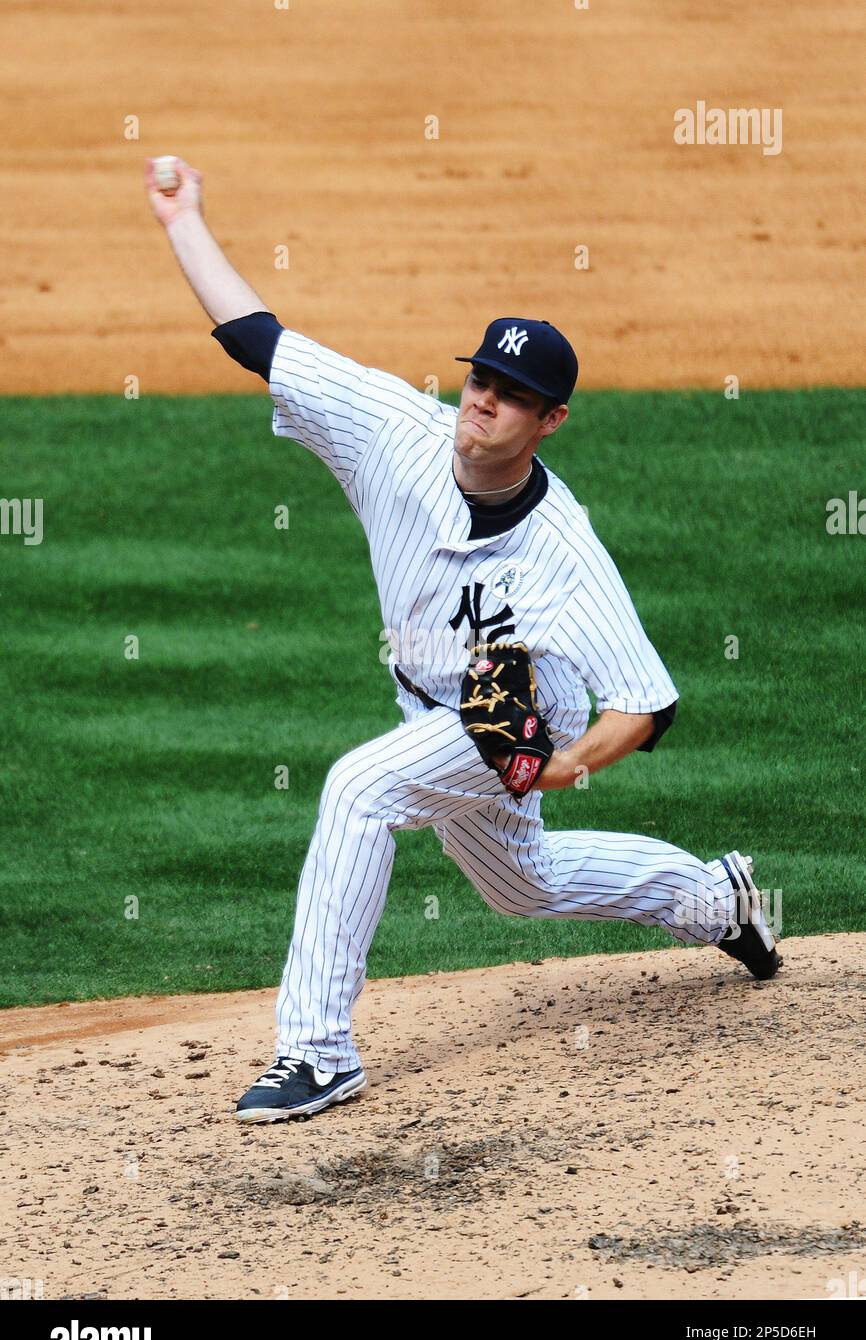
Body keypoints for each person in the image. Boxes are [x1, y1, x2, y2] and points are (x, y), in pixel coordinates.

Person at [145, 158, 781, 1124]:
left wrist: (558, 768)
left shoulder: (564, 552)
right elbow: (257, 339)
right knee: (524, 888)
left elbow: (648, 705)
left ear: (550, 421)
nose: (482, 400)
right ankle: (716, 899)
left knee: (359, 791)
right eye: (479, 377)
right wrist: (183, 219)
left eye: (511, 393)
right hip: (428, 695)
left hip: (520, 712)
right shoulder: (393, 429)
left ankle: (315, 1052)